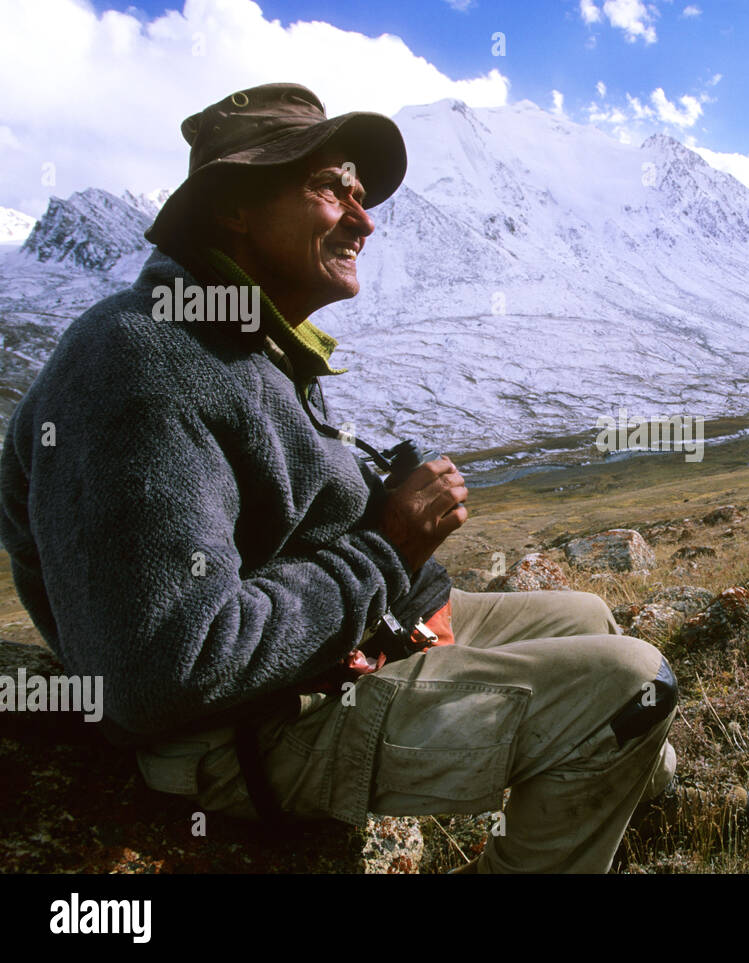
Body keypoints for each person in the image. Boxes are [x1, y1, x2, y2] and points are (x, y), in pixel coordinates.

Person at [0, 83, 681, 873]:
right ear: (233, 208)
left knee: (589, 616)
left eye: (360, 192)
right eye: (331, 188)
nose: (363, 217)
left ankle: (629, 799)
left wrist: (408, 578)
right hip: (243, 729)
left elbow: (295, 530)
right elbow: (161, 671)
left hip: (325, 654)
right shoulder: (139, 365)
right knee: (632, 682)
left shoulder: (250, 338)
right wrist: (388, 549)